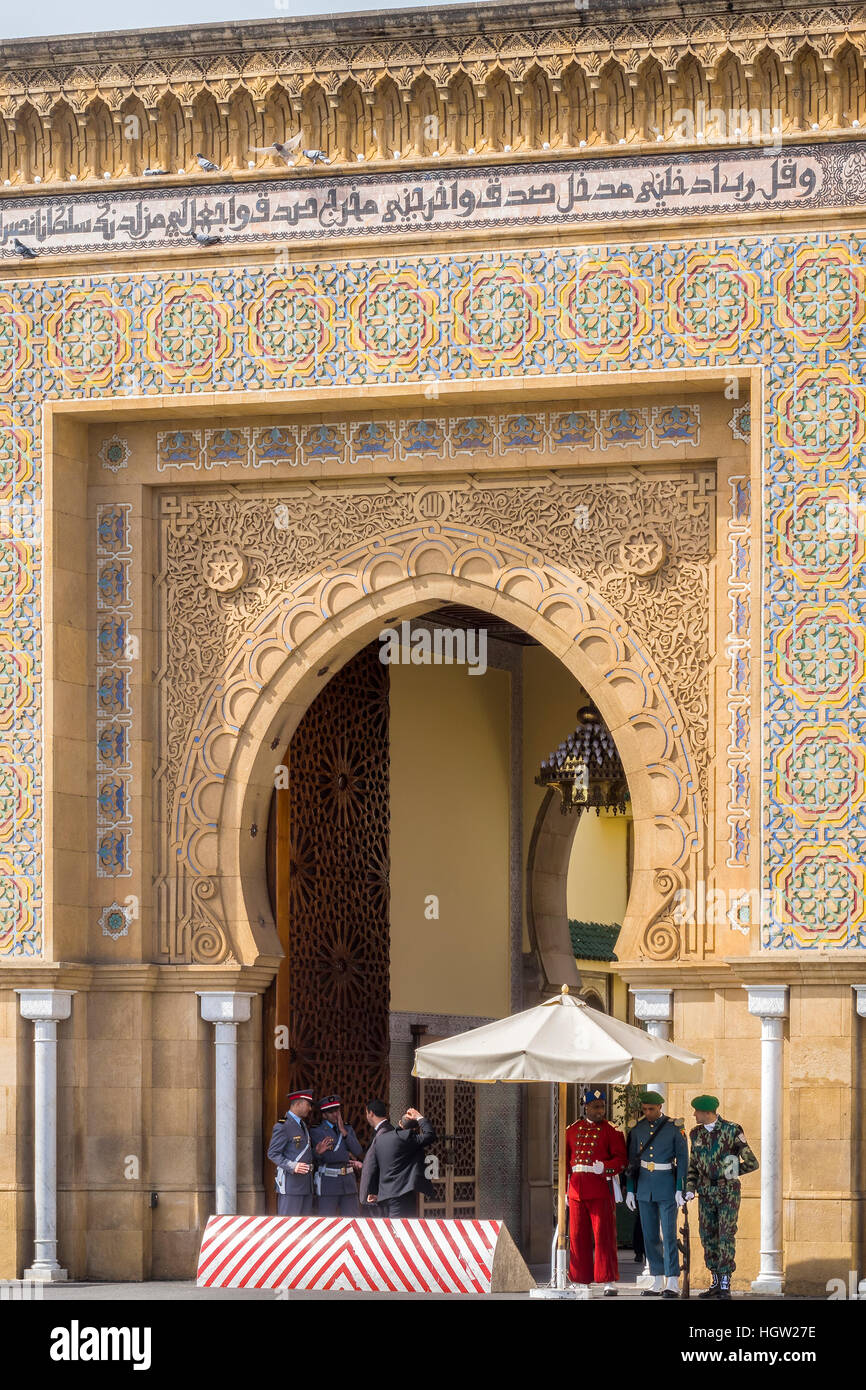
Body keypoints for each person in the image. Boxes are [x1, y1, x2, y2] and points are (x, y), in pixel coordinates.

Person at [684, 1093, 759, 1299]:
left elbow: (752, 1162)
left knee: (725, 1236)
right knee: (708, 1237)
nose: (694, 1114)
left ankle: (726, 1283)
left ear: (707, 1112)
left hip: (728, 1193)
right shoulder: (696, 1133)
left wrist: (731, 1172)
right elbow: (693, 1166)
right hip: (706, 1193)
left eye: (697, 1111)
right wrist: (690, 1187)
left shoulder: (732, 1130)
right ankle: (715, 1281)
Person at [625, 1090, 689, 1297]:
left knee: (669, 1235)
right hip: (644, 1187)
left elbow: (683, 1160)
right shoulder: (638, 1129)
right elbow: (632, 1163)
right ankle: (657, 1279)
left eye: (651, 1109)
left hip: (666, 1186)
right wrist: (631, 1190)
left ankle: (672, 1281)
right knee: (650, 1235)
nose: (647, 1112)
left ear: (660, 1107)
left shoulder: (673, 1128)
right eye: (644, 1109)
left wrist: (681, 1188)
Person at [565, 1087, 627, 1295]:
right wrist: (566, 1189)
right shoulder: (572, 1130)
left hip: (599, 1187)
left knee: (603, 1235)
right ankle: (580, 1279)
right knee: (577, 1235)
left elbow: (621, 1160)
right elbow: (566, 1161)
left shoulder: (612, 1130)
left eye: (602, 1107)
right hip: (576, 1189)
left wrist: (606, 1168)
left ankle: (608, 1279)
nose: (600, 1111)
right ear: (586, 1107)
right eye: (596, 1107)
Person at [358, 1100, 436, 1217]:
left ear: (399, 1123)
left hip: (384, 1196)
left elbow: (373, 1166)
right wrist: (419, 1117)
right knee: (400, 1231)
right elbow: (430, 1135)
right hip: (401, 1196)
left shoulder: (380, 1139)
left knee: (390, 1230)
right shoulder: (408, 1139)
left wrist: (373, 1191)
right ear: (414, 1130)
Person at [267, 1087, 332, 1216]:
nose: (310, 1108)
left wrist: (317, 1151)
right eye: (308, 1104)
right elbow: (273, 1153)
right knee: (288, 1226)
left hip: (305, 1185)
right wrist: (293, 1166)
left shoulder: (302, 1125)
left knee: (303, 1227)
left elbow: (299, 1153)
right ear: (297, 1104)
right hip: (291, 1185)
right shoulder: (283, 1125)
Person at [310, 1094, 363, 1216]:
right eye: (331, 1112)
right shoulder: (316, 1130)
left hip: (348, 1183)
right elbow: (324, 1157)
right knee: (327, 1220)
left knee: (352, 1220)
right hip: (329, 1183)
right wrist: (346, 1155)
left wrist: (343, 1132)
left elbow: (357, 1151)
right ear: (324, 1115)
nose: (335, 1114)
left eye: (337, 1110)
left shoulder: (347, 1128)